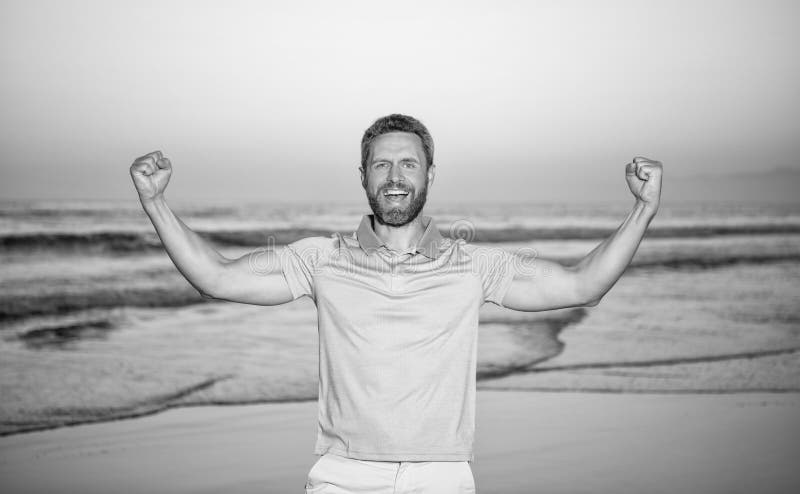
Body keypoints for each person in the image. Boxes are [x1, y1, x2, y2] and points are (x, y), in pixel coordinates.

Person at [129, 114, 663, 493]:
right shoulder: (320, 259)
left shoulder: (473, 265)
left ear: (429, 176)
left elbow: (581, 286)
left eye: (409, 164)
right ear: (363, 177)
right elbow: (216, 278)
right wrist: (155, 202)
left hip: (442, 475)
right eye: (381, 166)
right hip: (344, 476)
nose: (395, 177)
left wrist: (642, 210)